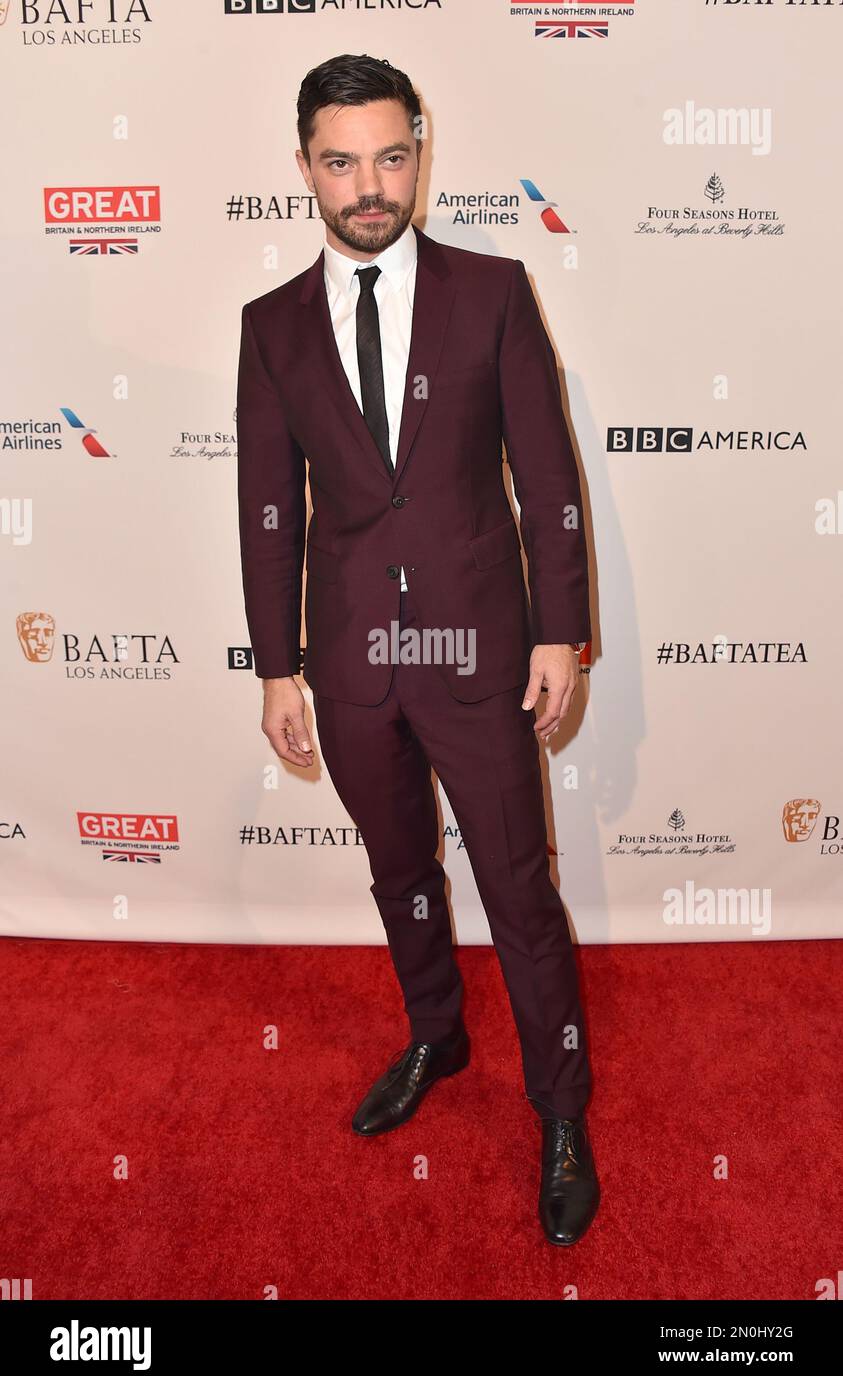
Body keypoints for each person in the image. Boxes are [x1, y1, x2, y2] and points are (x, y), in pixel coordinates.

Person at [236, 52, 599, 1246]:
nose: (369, 185)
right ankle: (437, 1035)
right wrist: (276, 663)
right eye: (341, 162)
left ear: (421, 150)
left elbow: (544, 478)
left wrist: (559, 627)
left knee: (517, 889)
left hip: (481, 651)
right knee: (402, 878)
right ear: (305, 169)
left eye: (391, 156)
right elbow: (267, 505)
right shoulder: (270, 327)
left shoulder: (491, 291)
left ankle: (560, 1111)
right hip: (348, 665)